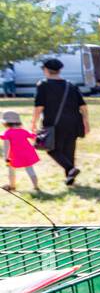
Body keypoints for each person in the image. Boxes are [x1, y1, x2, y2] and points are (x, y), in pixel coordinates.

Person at [32, 58, 88, 186]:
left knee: (50, 148)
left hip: (53, 123)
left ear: (46, 70)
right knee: (69, 150)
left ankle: (71, 170)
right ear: (59, 70)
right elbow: (83, 106)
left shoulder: (43, 85)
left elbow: (39, 106)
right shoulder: (71, 85)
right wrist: (86, 122)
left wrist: (34, 122)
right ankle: (70, 178)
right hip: (73, 123)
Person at [1, 110, 40, 193]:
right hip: (27, 153)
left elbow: (6, 146)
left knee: (11, 171)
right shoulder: (23, 131)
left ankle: (12, 186)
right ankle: (36, 186)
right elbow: (33, 136)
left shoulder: (8, 133)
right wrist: (35, 132)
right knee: (30, 170)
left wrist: (6, 157)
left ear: (5, 123)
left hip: (14, 155)